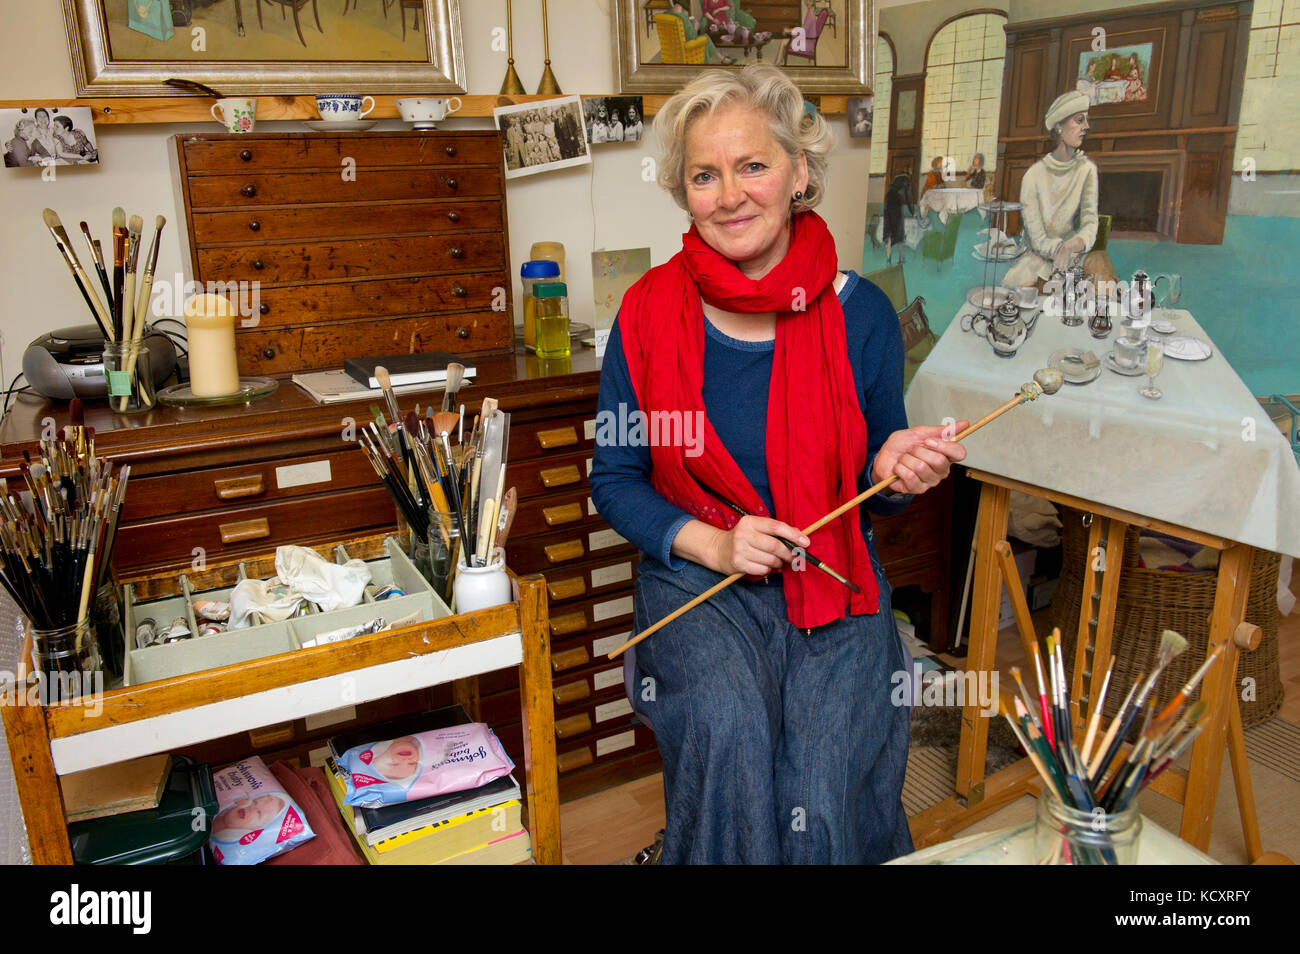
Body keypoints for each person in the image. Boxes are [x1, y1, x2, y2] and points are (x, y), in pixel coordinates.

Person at [589, 63, 966, 865]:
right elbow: (615, 479)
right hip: (700, 579)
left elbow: (875, 489)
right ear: (682, 190)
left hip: (831, 577)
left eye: (753, 165)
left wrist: (894, 470)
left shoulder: (858, 311)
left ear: (799, 172)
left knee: (825, 770)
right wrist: (716, 545)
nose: (730, 195)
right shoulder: (648, 312)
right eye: (704, 175)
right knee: (729, 732)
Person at [1002, 90, 1114, 289]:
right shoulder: (1033, 176)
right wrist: (1058, 248)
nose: (1086, 127)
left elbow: (1090, 221)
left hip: (1075, 254)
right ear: (1059, 126)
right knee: (1020, 295)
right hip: (1039, 257)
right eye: (1079, 120)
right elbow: (1036, 238)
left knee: (1103, 279)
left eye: (1086, 120)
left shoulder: (1087, 170)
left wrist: (1072, 245)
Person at [882, 172, 915, 264]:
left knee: (888, 230)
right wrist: (912, 212)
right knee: (899, 232)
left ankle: (888, 258)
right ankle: (900, 258)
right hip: (896, 204)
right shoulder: (907, 181)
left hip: (888, 201)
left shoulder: (896, 179)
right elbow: (909, 198)